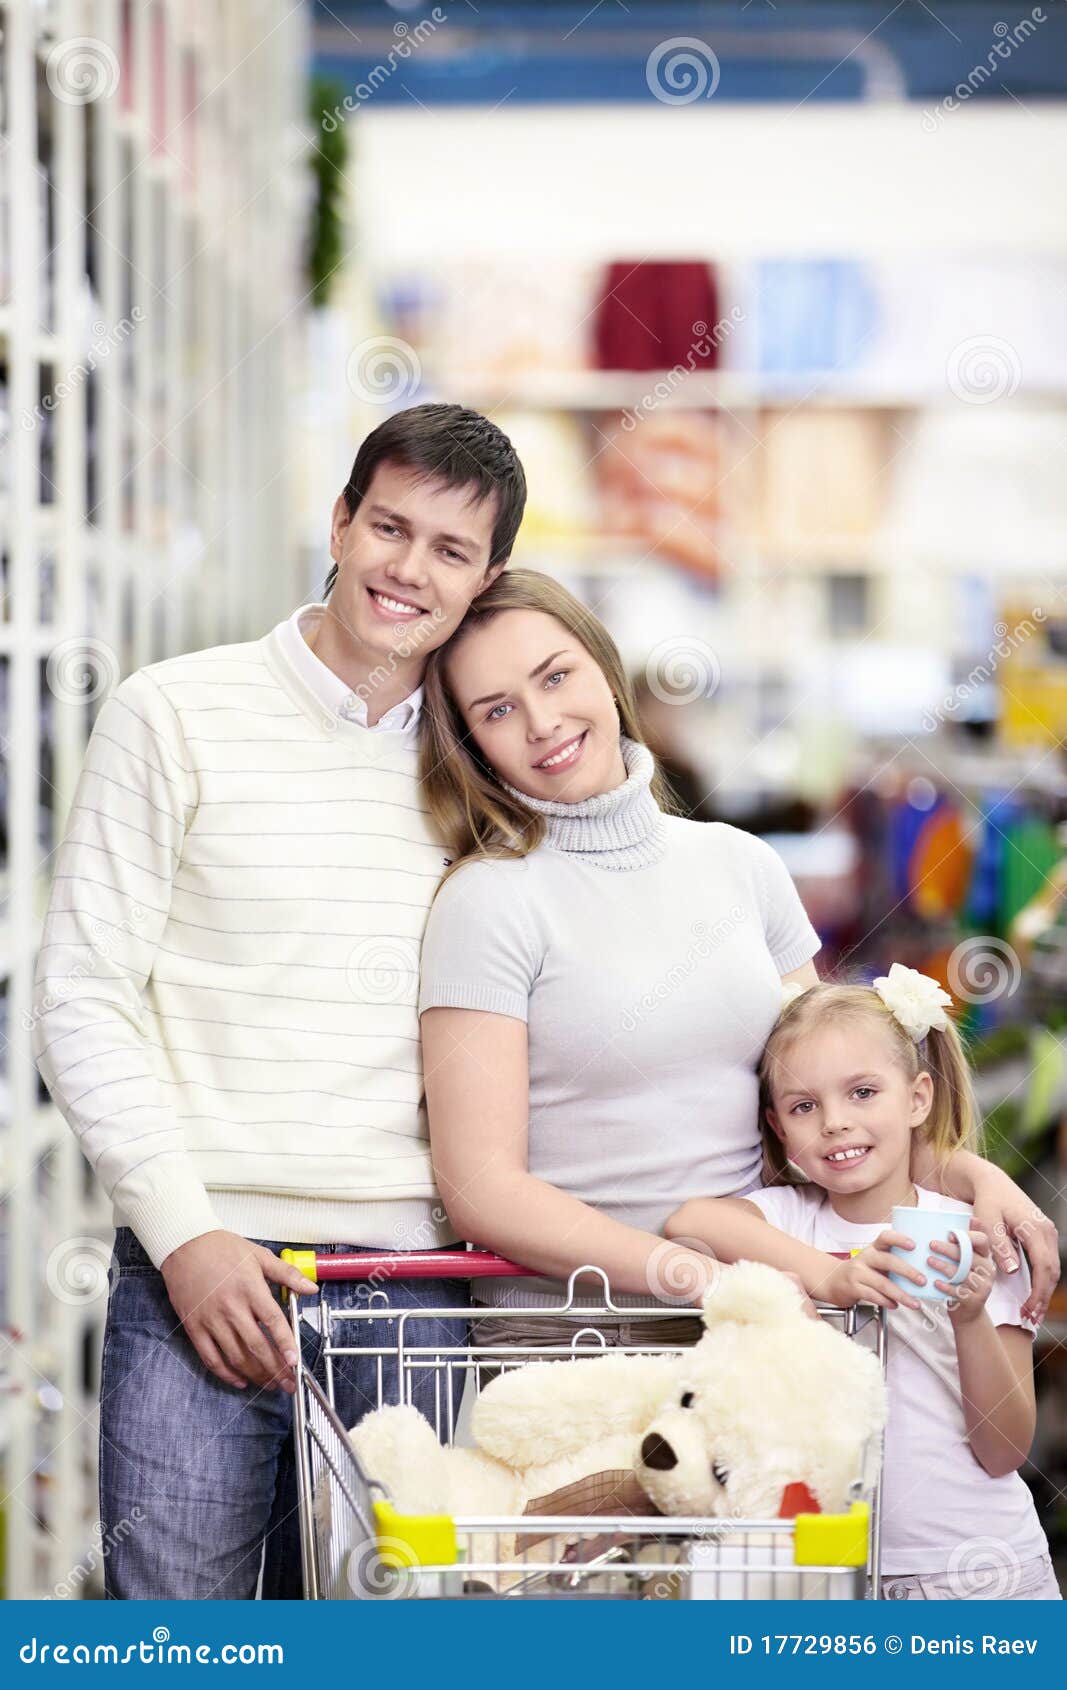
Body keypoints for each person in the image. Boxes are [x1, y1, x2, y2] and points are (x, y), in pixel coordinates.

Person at [31, 403, 527, 1598]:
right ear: (340, 521)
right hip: (201, 1263)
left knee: (386, 1655)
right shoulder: (171, 712)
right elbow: (82, 993)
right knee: (177, 1646)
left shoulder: (485, 760)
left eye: (450, 551)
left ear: (485, 580)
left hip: (412, 1287)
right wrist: (185, 1235)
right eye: (389, 528)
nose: (408, 570)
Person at [416, 570, 1057, 1362]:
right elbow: (481, 1191)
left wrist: (972, 1178)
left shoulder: (739, 864)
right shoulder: (485, 902)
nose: (541, 722)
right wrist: (699, 1278)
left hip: (763, 1330)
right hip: (577, 1340)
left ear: (605, 671)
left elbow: (830, 1094)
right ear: (470, 745)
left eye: (555, 676)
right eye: (497, 710)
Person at [666, 965, 1060, 1600]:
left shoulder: (973, 1235)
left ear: (918, 1099)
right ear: (778, 1127)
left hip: (978, 1572)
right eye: (804, 1106)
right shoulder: (786, 1220)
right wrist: (830, 1274)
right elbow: (689, 1220)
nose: (835, 1122)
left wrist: (969, 1320)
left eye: (863, 1092)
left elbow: (1005, 1450)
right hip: (826, 1574)